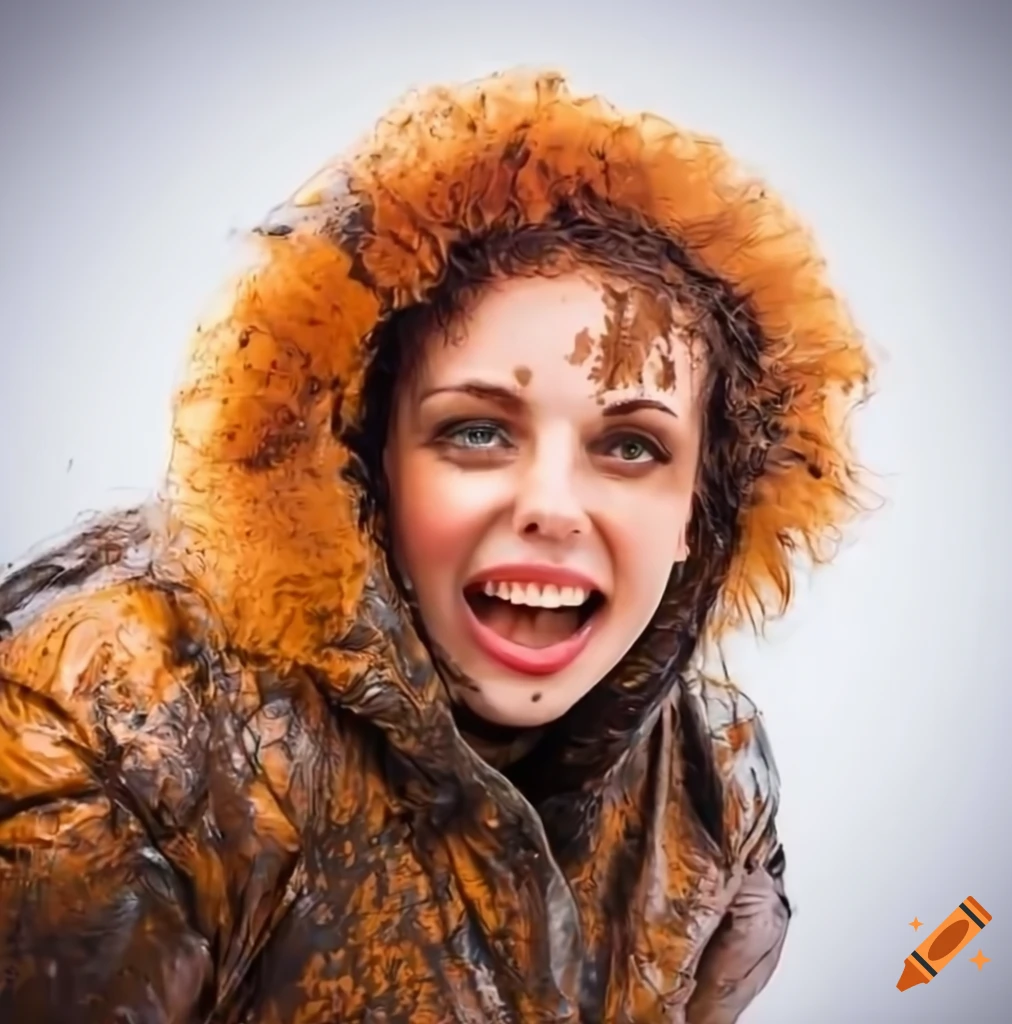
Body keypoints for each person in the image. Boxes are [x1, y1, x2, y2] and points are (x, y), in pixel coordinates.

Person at [0, 69, 871, 1022]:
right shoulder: (116, 731)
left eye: (630, 446)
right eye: (478, 431)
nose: (552, 507)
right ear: (363, 463)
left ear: (699, 515)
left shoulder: (713, 786)